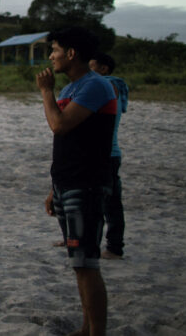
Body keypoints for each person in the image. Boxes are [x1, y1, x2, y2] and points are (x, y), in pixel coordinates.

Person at [37, 26, 117, 336]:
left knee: (87, 264)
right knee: (79, 262)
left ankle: (96, 331)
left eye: (55, 50)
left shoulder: (94, 87)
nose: (51, 56)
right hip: (68, 183)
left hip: (87, 184)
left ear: (72, 54)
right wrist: (54, 188)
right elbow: (69, 143)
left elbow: (59, 126)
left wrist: (46, 91)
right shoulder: (72, 89)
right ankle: (87, 328)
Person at [90, 52, 129, 260]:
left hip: (107, 153)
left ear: (103, 68)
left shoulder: (108, 86)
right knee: (93, 200)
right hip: (104, 152)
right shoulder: (108, 86)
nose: (88, 69)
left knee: (111, 202)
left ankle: (115, 247)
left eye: (92, 64)